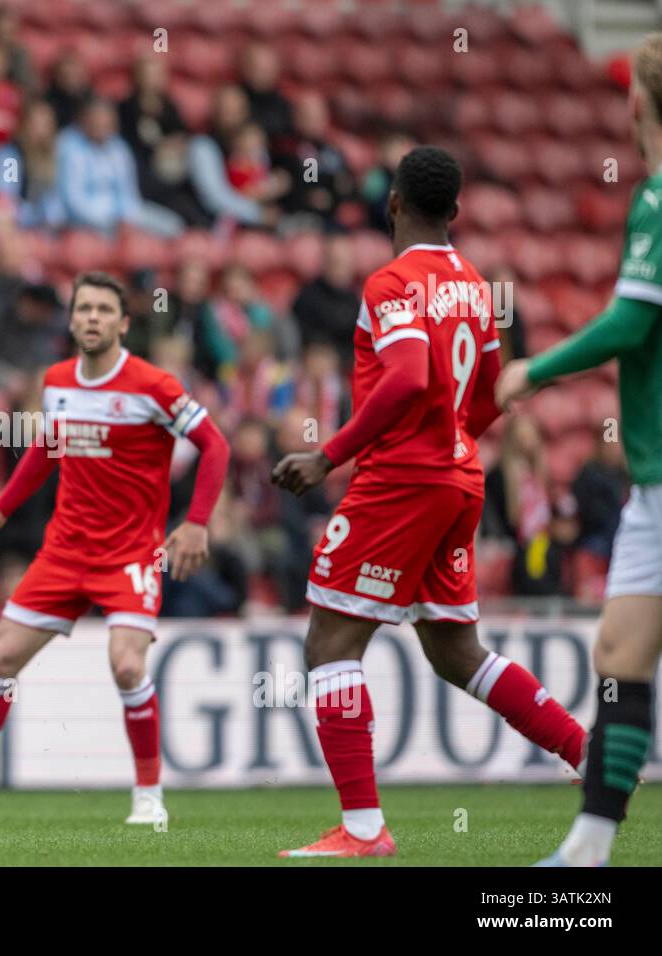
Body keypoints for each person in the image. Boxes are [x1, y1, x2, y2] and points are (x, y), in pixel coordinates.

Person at [272, 146, 585, 858]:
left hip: (403, 481)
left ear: (392, 202)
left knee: (330, 641)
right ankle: (585, 753)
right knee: (455, 652)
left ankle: (362, 831)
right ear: (457, 210)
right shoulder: (474, 284)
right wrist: (452, 446)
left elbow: (409, 375)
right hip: (459, 478)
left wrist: (330, 454)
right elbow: (495, 392)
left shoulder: (392, 281)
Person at [0, 272, 230, 825]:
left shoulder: (152, 385)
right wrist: (1, 508)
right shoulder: (58, 380)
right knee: (0, 660)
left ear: (122, 323)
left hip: (129, 555)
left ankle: (149, 798)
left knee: (125, 666)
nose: (91, 317)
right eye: (83, 309)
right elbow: (46, 446)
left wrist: (196, 524)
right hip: (65, 552)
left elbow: (215, 444)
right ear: (71, 321)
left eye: (103, 309)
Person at [497, 33, 662, 867]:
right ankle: (588, 852)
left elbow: (632, 322)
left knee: (623, 657)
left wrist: (535, 368)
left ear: (637, 103)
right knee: (619, 655)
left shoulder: (660, 200)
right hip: (652, 488)